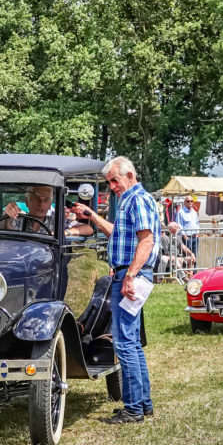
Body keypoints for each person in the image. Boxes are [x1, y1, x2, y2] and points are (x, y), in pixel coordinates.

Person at [74, 156, 158, 424]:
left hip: (130, 276)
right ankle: (143, 405)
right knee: (131, 343)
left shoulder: (138, 200)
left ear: (130, 176)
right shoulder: (128, 200)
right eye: (109, 181)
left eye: (115, 180)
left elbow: (146, 241)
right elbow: (118, 234)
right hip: (125, 273)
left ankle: (133, 409)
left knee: (124, 344)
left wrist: (131, 275)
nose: (112, 186)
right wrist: (92, 216)